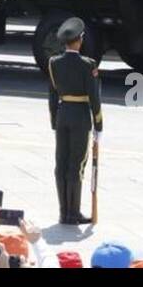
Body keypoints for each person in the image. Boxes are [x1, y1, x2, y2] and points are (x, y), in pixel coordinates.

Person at [46, 17, 101, 225]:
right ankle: (74, 213)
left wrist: (54, 120)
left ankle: (64, 212)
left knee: (61, 163)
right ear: (79, 40)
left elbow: (52, 96)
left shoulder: (53, 63)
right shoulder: (88, 65)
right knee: (76, 165)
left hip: (62, 115)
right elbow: (94, 97)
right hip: (80, 116)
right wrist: (99, 125)